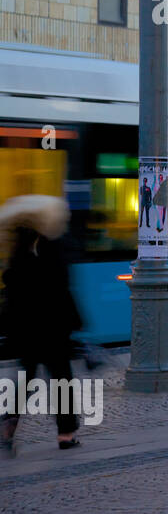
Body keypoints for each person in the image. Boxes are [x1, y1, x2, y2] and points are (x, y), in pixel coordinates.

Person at [0, 195, 84, 455]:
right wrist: (77, 321)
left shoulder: (18, 251)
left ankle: (10, 422)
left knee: (26, 378)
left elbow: (11, 292)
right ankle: (65, 434)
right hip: (53, 328)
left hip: (25, 330)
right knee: (62, 379)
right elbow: (62, 290)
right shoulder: (53, 248)